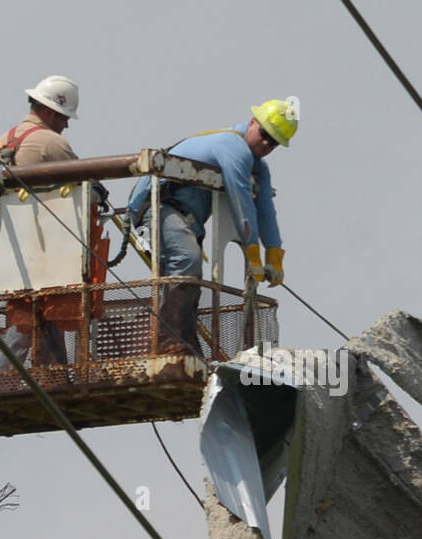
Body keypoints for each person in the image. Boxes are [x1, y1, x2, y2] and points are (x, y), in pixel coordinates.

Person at [126, 99, 296, 357]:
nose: (266, 144)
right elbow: (242, 202)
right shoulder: (233, 147)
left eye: (273, 142)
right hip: (158, 206)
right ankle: (170, 343)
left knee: (188, 271)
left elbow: (264, 207)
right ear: (253, 122)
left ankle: (183, 342)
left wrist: (274, 252)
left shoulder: (257, 166)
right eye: (264, 134)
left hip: (184, 216)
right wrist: (252, 251)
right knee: (186, 260)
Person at [0, 75, 81, 365]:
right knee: (35, 312)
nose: (66, 124)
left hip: (10, 247)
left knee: (40, 308)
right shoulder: (51, 143)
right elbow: (83, 186)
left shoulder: (3, 141)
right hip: (45, 245)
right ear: (49, 112)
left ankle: (54, 372)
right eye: (64, 117)